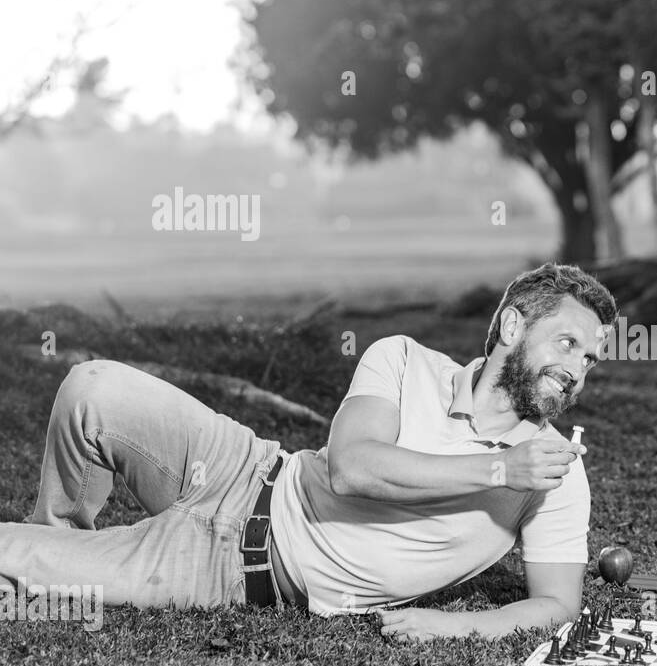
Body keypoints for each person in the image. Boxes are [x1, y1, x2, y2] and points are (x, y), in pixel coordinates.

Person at [0, 263, 616, 641]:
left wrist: (460, 624)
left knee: (10, 554)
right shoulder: (403, 360)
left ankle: (49, 564)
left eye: (588, 358)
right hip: (243, 466)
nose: (576, 371)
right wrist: (500, 468)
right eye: (566, 343)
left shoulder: (555, 472)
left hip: (234, 569)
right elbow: (351, 469)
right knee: (92, 386)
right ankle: (64, 539)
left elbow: (558, 604)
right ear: (512, 328)